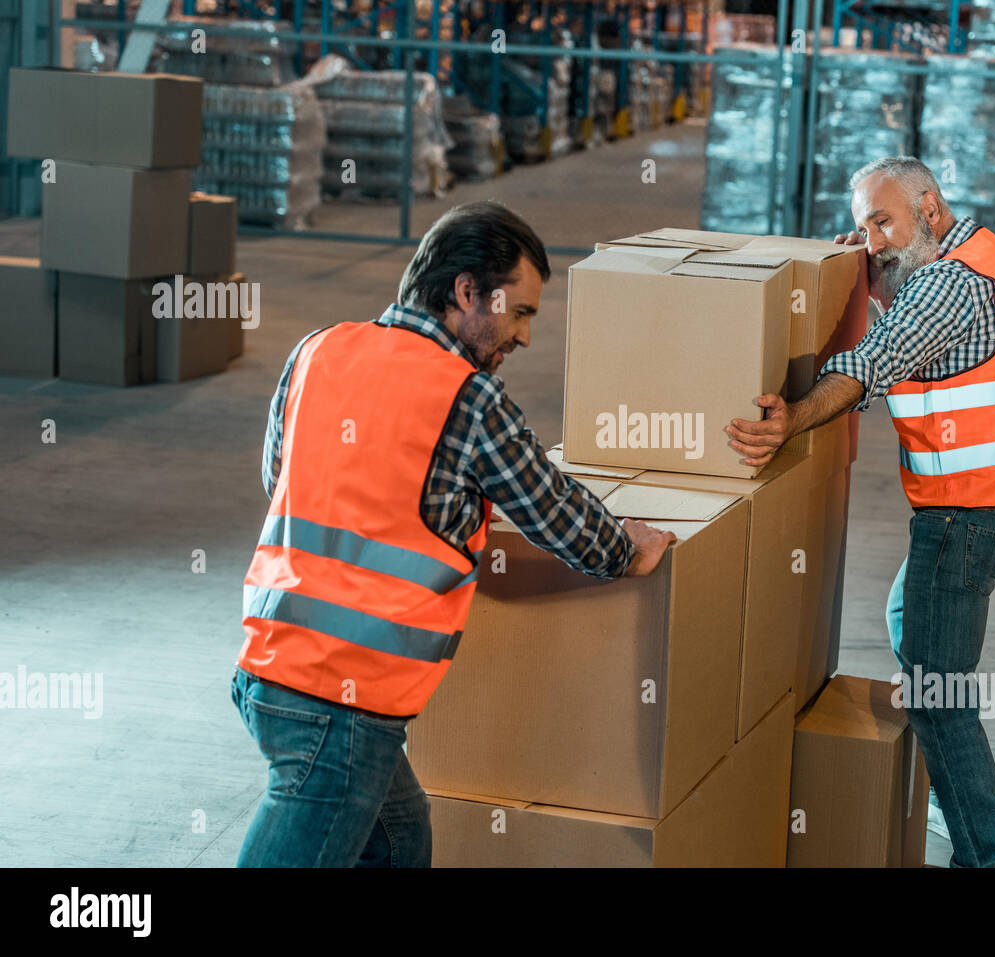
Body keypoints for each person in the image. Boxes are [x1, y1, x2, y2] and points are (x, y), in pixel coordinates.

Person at [230, 201, 677, 867]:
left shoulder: (319, 349)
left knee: (401, 841)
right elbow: (554, 513)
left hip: (273, 665)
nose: (524, 336)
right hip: (341, 701)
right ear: (467, 291)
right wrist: (628, 548)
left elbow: (281, 479)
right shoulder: (468, 399)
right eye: (519, 310)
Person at [727, 156, 995, 868]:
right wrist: (868, 274)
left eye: (883, 221)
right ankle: (953, 800)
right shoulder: (988, 255)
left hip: (966, 512)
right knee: (910, 617)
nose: (872, 239)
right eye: (862, 225)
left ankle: (983, 851)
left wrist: (793, 417)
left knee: (939, 694)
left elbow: (871, 363)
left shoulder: (947, 286)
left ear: (930, 207)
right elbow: (914, 328)